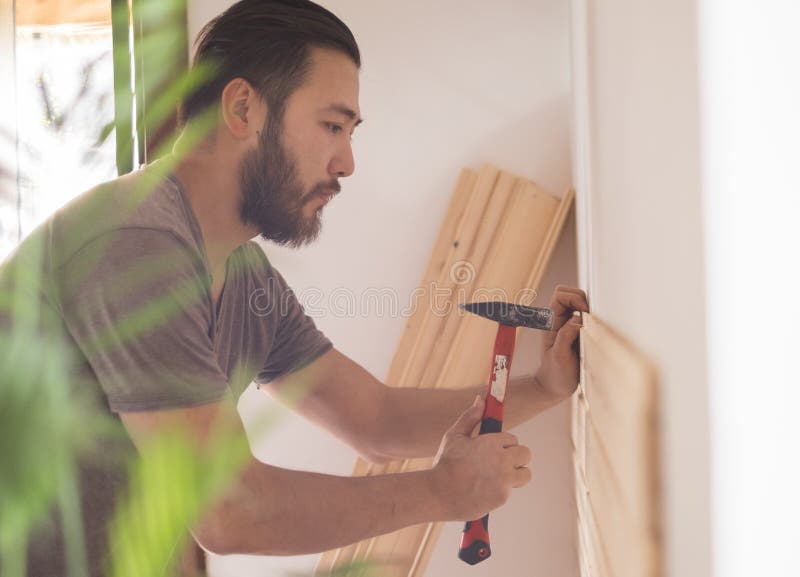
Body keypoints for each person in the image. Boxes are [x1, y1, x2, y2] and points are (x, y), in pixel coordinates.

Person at [3, 0, 590, 575]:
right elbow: (231, 514)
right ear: (242, 109)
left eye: (350, 132)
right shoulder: (134, 244)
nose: (347, 162)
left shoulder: (243, 274)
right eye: (332, 126)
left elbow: (377, 420)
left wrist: (545, 385)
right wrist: (441, 491)